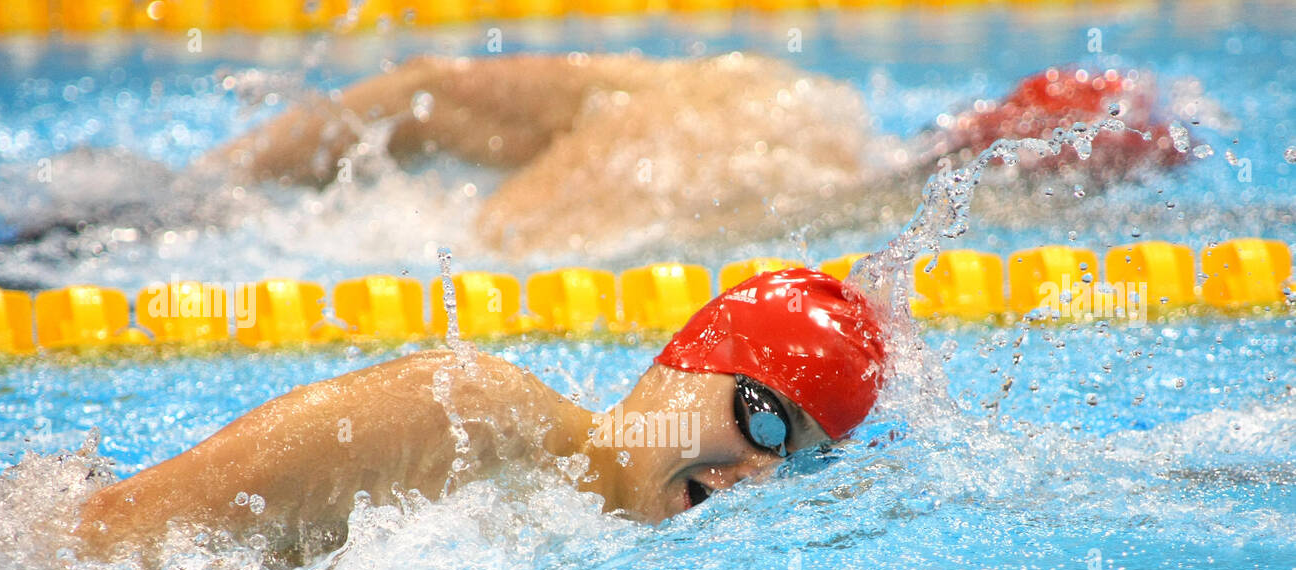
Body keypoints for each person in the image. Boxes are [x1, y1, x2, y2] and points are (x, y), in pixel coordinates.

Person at [73, 268, 885, 567]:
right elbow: (108, 537)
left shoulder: (594, 548)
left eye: (798, 460)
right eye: (766, 421)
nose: (759, 474)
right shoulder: (469, 417)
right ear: (680, 364)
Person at [197, 55, 1185, 256]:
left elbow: (441, 89)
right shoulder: (843, 200)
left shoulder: (772, 87)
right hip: (489, 273)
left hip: (331, 229)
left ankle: (196, 191)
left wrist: (214, 185)